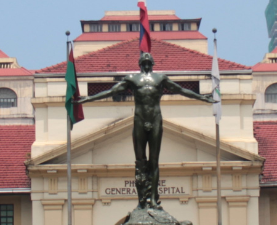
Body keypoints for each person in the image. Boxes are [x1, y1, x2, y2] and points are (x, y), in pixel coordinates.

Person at [78, 52, 215, 209]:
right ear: (140, 64)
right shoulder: (132, 79)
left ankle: (153, 198)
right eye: (145, 62)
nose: (147, 65)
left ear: (153, 63)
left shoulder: (160, 79)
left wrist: (202, 97)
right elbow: (111, 92)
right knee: (140, 163)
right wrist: (89, 99)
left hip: (155, 119)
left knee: (154, 162)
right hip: (139, 120)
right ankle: (142, 199)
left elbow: (180, 90)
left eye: (149, 62)